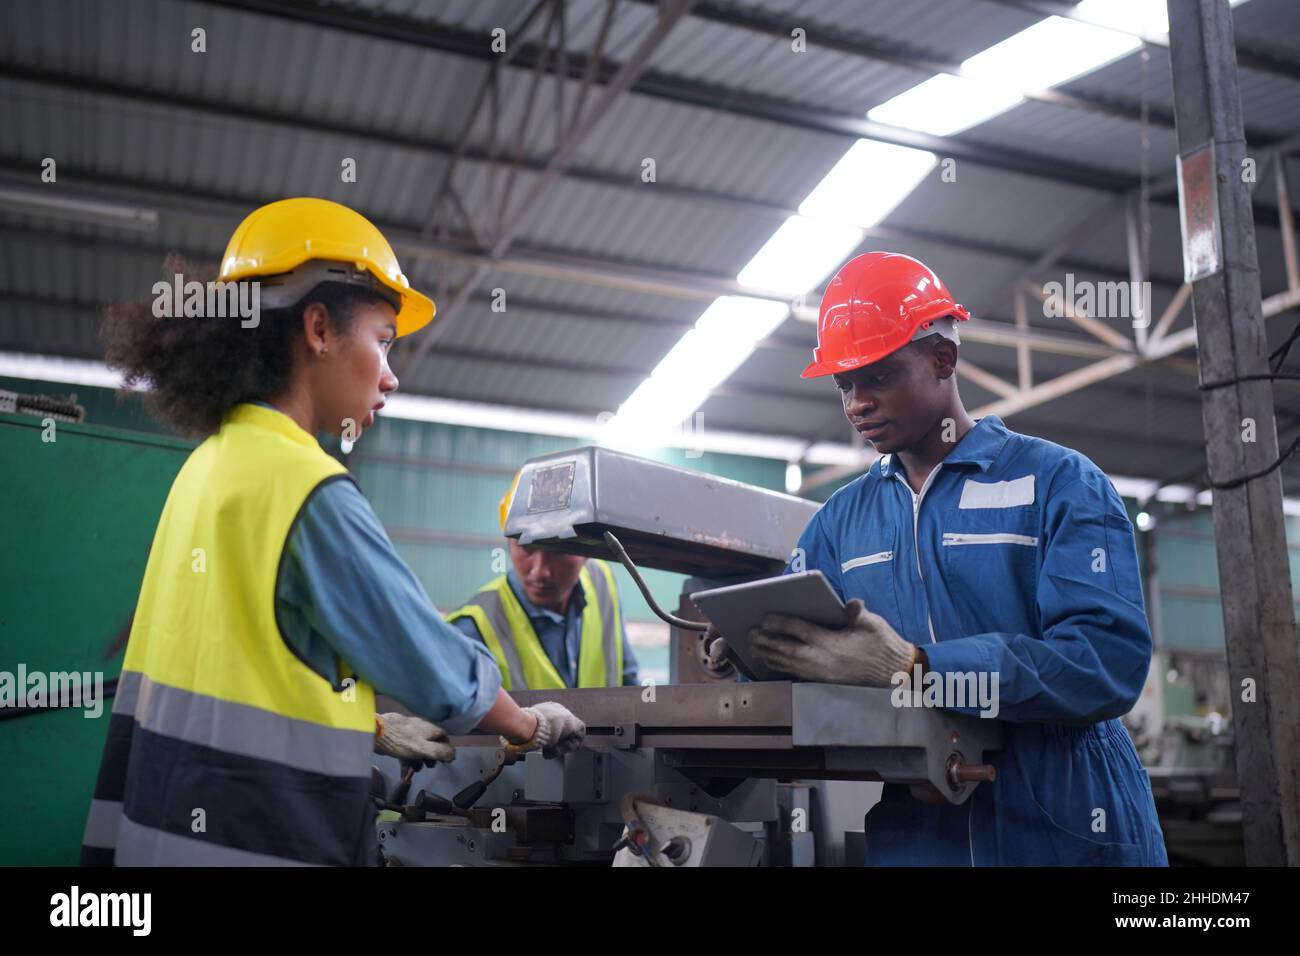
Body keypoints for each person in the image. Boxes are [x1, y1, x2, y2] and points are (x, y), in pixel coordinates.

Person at [82, 197, 584, 867]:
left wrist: (365, 723)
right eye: (382, 339)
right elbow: (432, 668)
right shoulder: (304, 486)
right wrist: (527, 725)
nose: (391, 374)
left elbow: (238, 657)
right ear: (319, 328)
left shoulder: (207, 467)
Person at [715, 251, 1168, 866]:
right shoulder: (840, 522)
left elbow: (1104, 664)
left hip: (1062, 818)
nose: (856, 404)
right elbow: (808, 671)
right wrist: (752, 654)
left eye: (878, 376)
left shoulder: (1059, 484)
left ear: (942, 359)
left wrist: (918, 668)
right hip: (923, 828)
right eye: (844, 385)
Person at [447, 474, 639, 689]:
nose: (540, 571)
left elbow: (626, 675)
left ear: (588, 550)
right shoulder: (472, 629)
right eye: (526, 547)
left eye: (558, 550)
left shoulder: (601, 580)